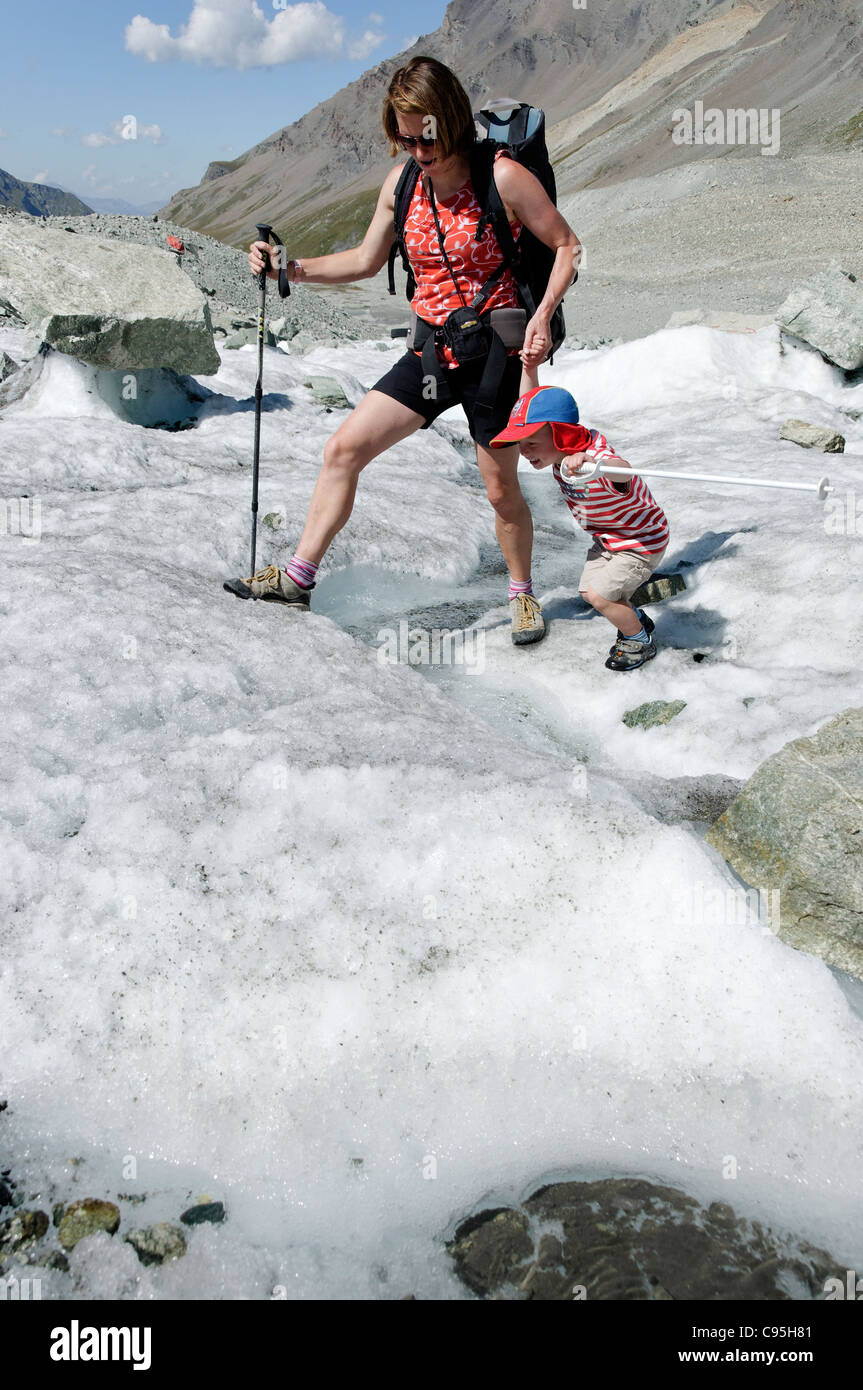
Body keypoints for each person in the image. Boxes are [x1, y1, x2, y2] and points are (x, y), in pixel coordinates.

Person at [228, 56, 581, 645]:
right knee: (343, 449)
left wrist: (542, 316)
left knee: (500, 490)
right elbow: (366, 260)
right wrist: (289, 268)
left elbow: (567, 245)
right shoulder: (403, 185)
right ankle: (297, 579)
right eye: (404, 136)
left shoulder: (502, 178)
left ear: (452, 119)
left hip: (495, 354)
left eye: (427, 135)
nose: (417, 148)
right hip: (429, 353)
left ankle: (522, 595)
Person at [489, 375, 669, 670]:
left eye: (531, 443)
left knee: (601, 596)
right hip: (608, 541)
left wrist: (596, 466)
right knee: (588, 592)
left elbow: (625, 472)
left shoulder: (595, 458)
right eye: (520, 444)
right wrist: (528, 367)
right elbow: (533, 408)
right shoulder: (557, 454)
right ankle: (633, 618)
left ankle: (639, 641)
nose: (524, 452)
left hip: (640, 543)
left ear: (562, 436)